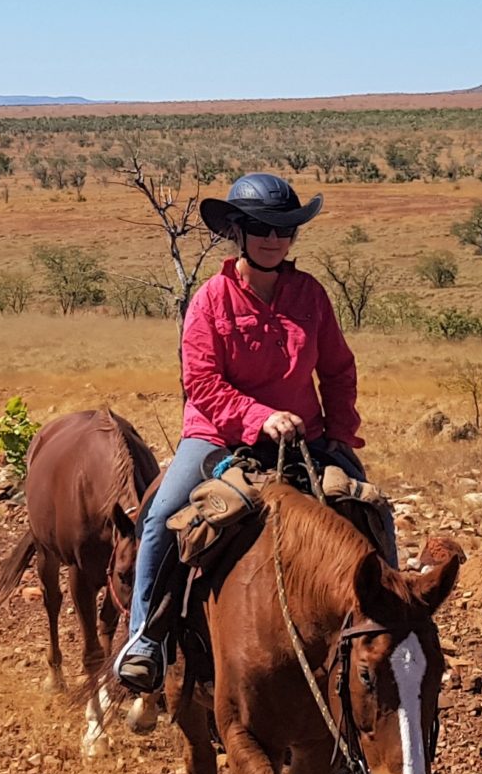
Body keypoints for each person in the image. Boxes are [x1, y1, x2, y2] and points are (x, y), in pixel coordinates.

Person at [113, 172, 377, 693]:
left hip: (306, 437)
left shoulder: (310, 295)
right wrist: (260, 418)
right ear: (238, 230)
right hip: (217, 438)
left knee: (370, 508)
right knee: (163, 518)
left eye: (285, 230)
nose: (274, 239)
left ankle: (388, 623)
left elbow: (339, 370)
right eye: (261, 227)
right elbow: (203, 383)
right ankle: (145, 637)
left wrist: (341, 434)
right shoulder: (210, 300)